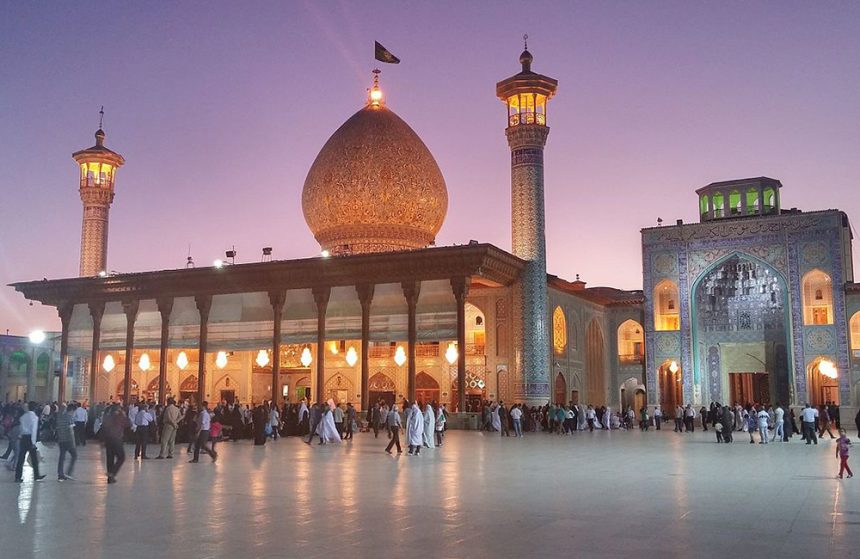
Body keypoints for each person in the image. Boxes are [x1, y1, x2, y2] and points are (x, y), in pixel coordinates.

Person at [14, 402, 44, 483]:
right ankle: (36, 475)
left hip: (23, 438)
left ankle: (17, 476)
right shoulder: (34, 417)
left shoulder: (23, 416)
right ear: (35, 408)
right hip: (30, 438)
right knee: (34, 458)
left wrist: (20, 435)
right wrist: (33, 442)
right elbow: (33, 430)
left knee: (21, 458)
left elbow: (21, 428)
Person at [101, 404, 129, 483]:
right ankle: (112, 473)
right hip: (117, 439)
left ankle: (110, 479)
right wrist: (124, 415)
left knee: (110, 458)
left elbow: (103, 427)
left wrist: (103, 440)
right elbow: (128, 424)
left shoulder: (107, 417)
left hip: (108, 439)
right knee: (121, 457)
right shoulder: (120, 417)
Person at [55, 404, 77, 481]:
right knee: (74, 455)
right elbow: (71, 431)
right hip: (68, 440)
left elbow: (57, 429)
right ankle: (68, 473)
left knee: (62, 457)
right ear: (72, 410)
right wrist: (73, 443)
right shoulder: (70, 418)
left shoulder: (60, 417)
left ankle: (60, 474)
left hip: (61, 440)